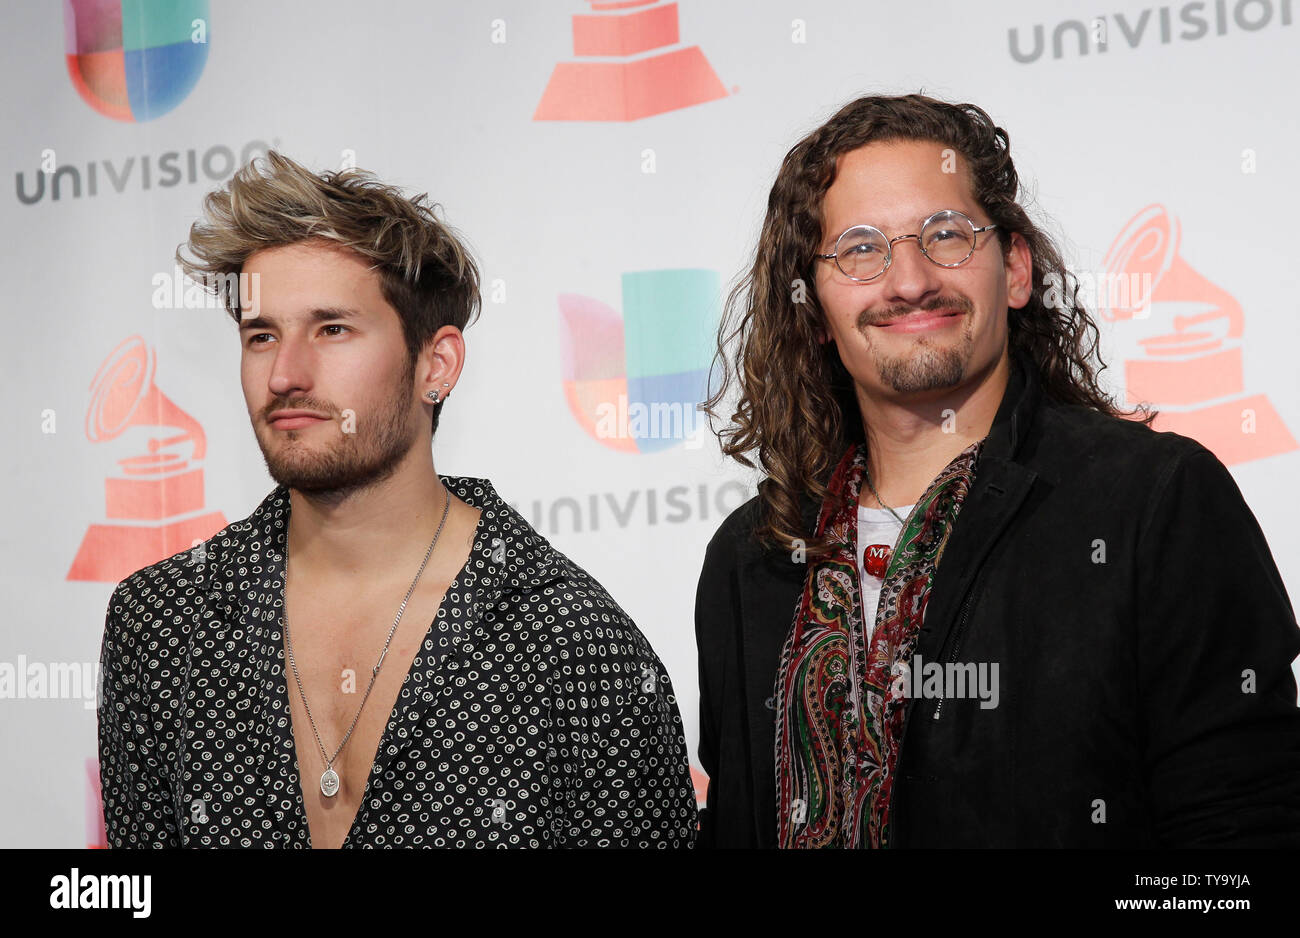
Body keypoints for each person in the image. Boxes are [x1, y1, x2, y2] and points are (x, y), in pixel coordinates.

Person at [695, 93, 1300, 848]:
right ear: (812, 307)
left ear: (1015, 270)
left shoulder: (1154, 504)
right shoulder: (753, 559)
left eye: (947, 235)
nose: (909, 279)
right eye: (860, 248)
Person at [97, 151, 696, 848]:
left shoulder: (579, 648)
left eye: (332, 329)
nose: (286, 373)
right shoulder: (162, 624)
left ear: (435, 366)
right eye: (262, 335)